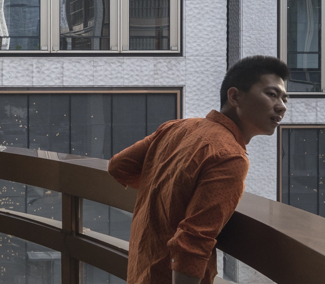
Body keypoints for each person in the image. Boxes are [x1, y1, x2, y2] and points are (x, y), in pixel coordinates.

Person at [107, 55, 289, 284]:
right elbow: (193, 241)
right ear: (234, 96)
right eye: (272, 94)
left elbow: (118, 166)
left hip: (141, 271)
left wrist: (166, 191)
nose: (281, 106)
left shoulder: (178, 128)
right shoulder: (230, 157)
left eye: (285, 98)